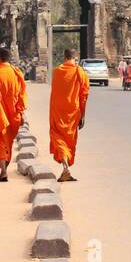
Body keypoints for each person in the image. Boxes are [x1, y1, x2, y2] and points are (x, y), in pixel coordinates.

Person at [0, 46, 27, 182]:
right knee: (7, 143)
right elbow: (22, 95)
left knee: (1, 142)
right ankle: (4, 165)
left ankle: (3, 170)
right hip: (14, 114)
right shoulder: (17, 73)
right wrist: (21, 113)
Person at [50, 47, 90, 182]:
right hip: (73, 111)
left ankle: (65, 167)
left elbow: (54, 92)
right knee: (69, 139)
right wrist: (83, 115)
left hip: (58, 111)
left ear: (64, 56)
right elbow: (84, 95)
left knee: (58, 136)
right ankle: (66, 167)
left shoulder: (57, 71)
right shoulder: (79, 72)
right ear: (76, 57)